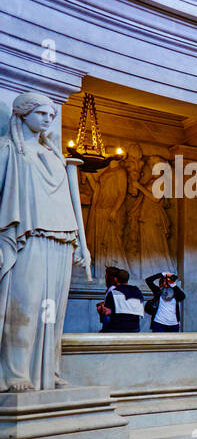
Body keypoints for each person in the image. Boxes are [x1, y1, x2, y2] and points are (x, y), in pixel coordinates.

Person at [0, 92, 92, 391]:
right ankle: (16, 372)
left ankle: (48, 371)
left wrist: (82, 243)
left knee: (52, 312)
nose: (49, 119)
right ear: (23, 113)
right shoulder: (9, 150)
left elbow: (69, 201)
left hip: (62, 238)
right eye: (42, 113)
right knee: (24, 305)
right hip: (28, 236)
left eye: (52, 115)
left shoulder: (54, 155)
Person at [97, 266, 145, 332]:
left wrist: (101, 308)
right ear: (128, 279)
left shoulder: (113, 292)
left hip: (117, 328)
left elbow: (107, 312)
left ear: (116, 279)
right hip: (135, 327)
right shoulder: (137, 291)